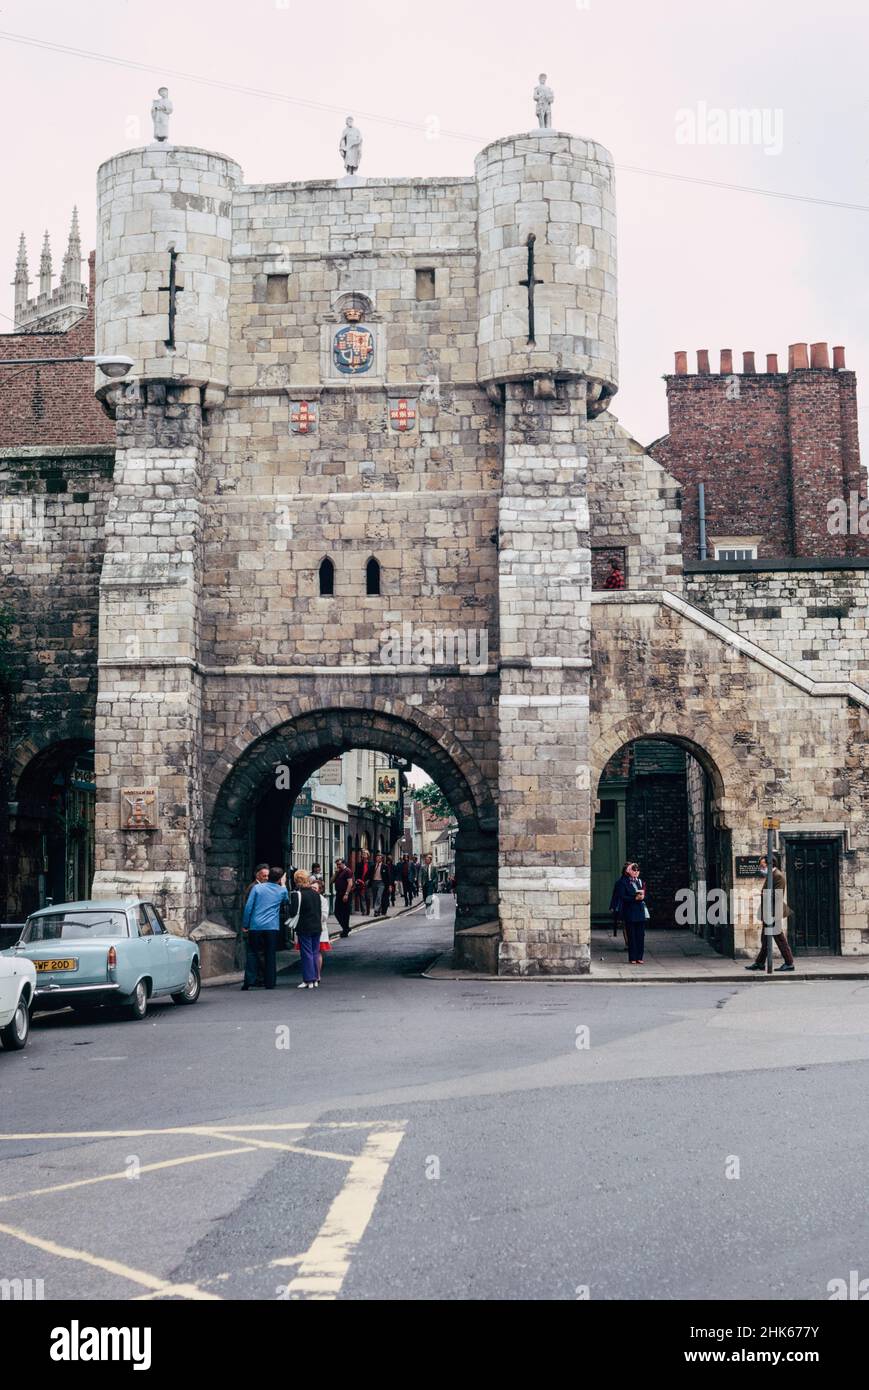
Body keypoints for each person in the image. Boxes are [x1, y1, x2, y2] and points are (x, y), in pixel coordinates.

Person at [242, 865, 289, 990]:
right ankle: (270, 982)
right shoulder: (281, 890)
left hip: (256, 926)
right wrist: (283, 884)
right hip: (271, 927)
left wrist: (246, 924)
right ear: (279, 879)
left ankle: (248, 981)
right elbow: (286, 900)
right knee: (270, 954)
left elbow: (248, 907)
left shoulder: (257, 888)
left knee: (252, 953)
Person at [746, 854, 795, 972]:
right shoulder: (771, 875)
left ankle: (789, 963)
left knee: (779, 939)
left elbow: (778, 895)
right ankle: (760, 963)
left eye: (762, 865)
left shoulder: (778, 876)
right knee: (765, 939)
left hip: (774, 912)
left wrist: (763, 894)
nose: (761, 868)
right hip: (768, 912)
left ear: (770, 864)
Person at [290, 870, 325, 990]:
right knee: (315, 952)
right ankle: (315, 978)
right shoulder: (316, 894)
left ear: (296, 880)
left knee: (306, 953)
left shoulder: (297, 894)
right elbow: (318, 912)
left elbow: (293, 912)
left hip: (304, 927)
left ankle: (308, 979)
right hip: (317, 927)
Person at [610, 862, 648, 964]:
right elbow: (622, 897)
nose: (636, 872)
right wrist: (634, 898)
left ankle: (640, 956)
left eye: (637, 870)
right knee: (632, 935)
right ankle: (632, 957)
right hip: (630, 911)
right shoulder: (623, 882)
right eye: (633, 870)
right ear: (628, 871)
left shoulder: (640, 882)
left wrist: (643, 897)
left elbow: (645, 895)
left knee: (640, 935)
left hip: (639, 910)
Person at [333, 857, 353, 937]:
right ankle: (346, 928)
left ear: (343, 863)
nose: (338, 866)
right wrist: (335, 873)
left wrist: (346, 894)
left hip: (345, 894)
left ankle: (345, 930)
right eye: (337, 864)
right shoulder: (338, 872)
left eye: (339, 864)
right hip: (339, 894)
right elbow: (331, 881)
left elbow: (350, 883)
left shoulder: (348, 871)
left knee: (345, 913)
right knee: (337, 912)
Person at [421, 854, 439, 919]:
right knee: (425, 896)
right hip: (425, 884)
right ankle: (427, 905)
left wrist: (434, 881)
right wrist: (420, 883)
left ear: (430, 860)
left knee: (429, 895)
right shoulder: (423, 867)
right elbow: (421, 875)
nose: (426, 861)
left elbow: (436, 876)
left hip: (431, 883)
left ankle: (428, 909)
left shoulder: (434, 867)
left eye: (428, 860)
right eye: (426, 860)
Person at [371, 852, 386, 916]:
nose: (378, 858)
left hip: (381, 883)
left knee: (379, 896)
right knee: (375, 896)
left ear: (381, 859)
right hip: (374, 882)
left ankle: (376, 910)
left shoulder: (385, 866)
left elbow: (388, 876)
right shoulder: (373, 866)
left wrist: (389, 885)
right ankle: (379, 909)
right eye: (377, 857)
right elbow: (369, 874)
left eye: (379, 857)